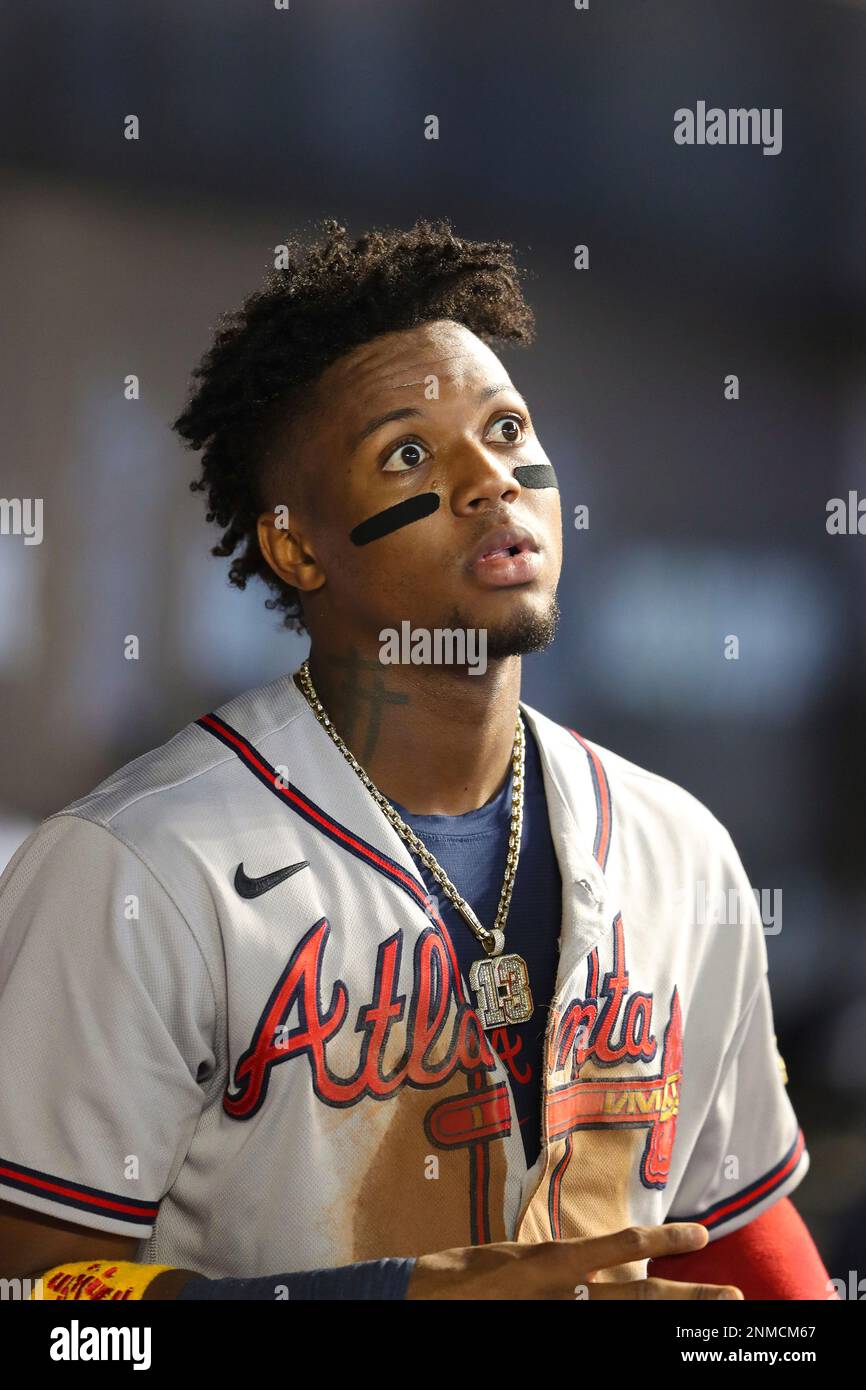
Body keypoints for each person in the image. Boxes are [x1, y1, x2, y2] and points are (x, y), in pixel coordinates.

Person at [0, 220, 832, 1301]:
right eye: (407, 454)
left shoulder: (678, 846)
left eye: (505, 428)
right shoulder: (136, 869)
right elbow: (38, 1301)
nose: (491, 479)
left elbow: (730, 1226)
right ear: (297, 544)